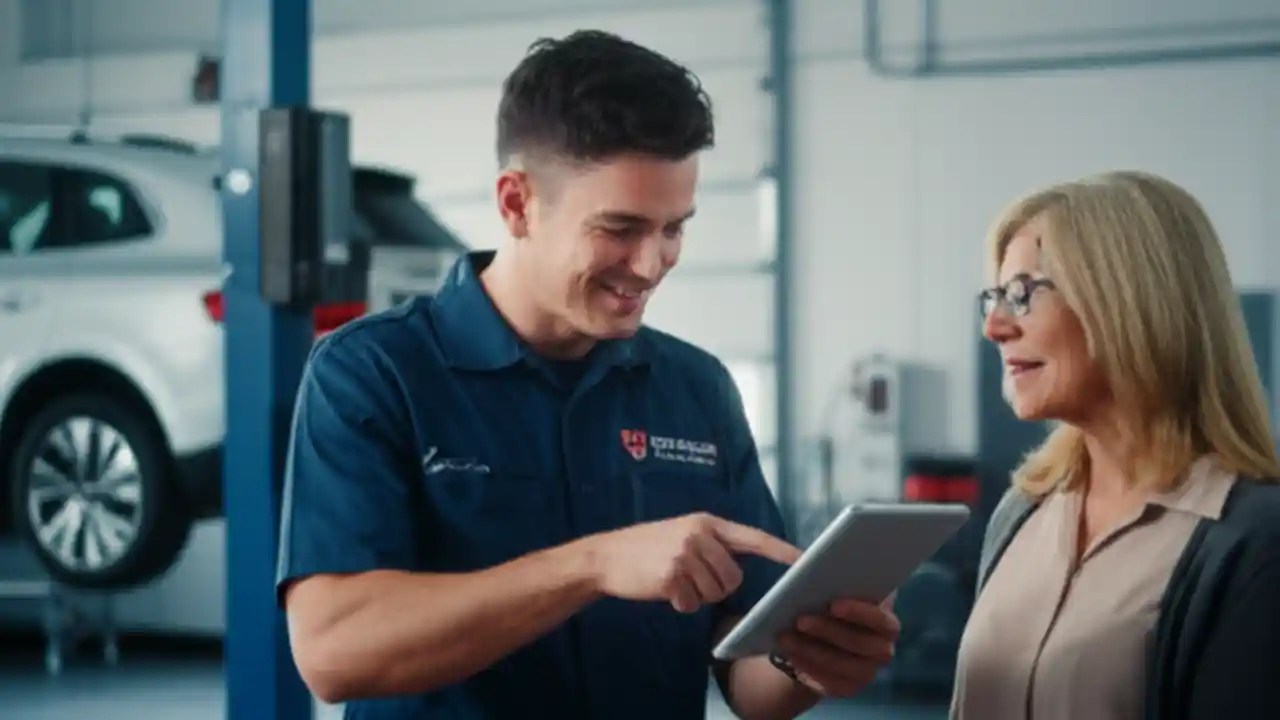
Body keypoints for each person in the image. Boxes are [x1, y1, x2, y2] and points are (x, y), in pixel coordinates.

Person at [275, 30, 900, 720]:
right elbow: (336, 652)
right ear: (516, 203)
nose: (652, 262)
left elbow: (747, 678)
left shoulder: (697, 389)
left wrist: (808, 660)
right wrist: (592, 566)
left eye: (674, 228)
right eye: (620, 228)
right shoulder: (374, 374)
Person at [951, 170, 1280, 720]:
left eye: (1023, 294)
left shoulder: (1252, 542)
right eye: (996, 296)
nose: (995, 326)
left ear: (1130, 304)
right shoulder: (1022, 513)